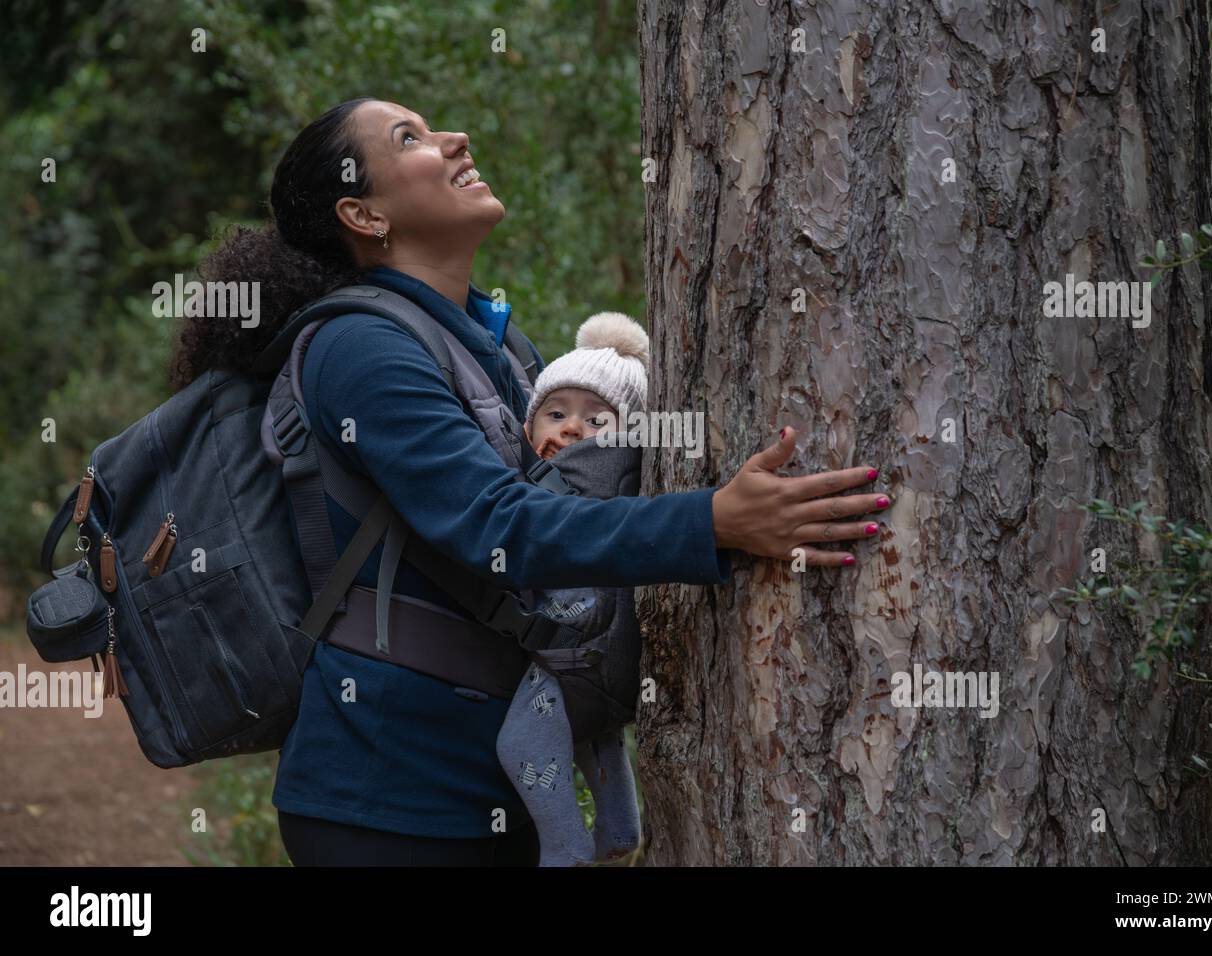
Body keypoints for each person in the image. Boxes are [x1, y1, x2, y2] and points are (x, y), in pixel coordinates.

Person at [168, 97, 893, 867]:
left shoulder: (494, 343)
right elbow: (499, 527)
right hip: (386, 795)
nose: (456, 138)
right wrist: (712, 521)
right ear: (364, 213)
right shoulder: (360, 349)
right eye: (409, 138)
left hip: (480, 783)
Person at [497, 309, 653, 866]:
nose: (570, 429)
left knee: (521, 746)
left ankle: (565, 851)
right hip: (606, 654)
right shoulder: (613, 479)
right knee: (594, 733)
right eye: (555, 413)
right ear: (528, 425)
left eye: (596, 420)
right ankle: (616, 828)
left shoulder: (577, 481)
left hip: (575, 648)